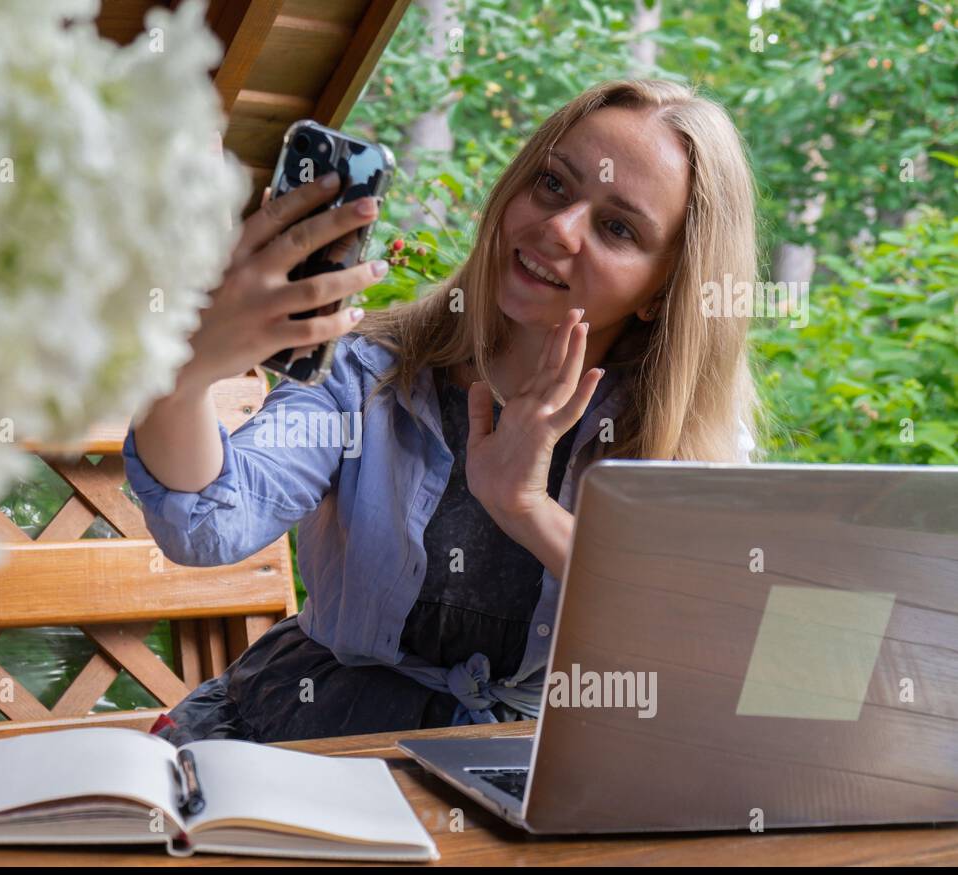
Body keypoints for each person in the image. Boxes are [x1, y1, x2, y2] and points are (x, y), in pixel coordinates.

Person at [124, 78, 764, 745]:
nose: (559, 229)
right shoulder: (368, 369)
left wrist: (527, 510)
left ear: (663, 291)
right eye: (552, 185)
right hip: (311, 738)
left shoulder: (680, 435)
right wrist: (188, 369)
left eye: (617, 227)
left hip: (541, 768)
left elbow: (702, 646)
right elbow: (206, 527)